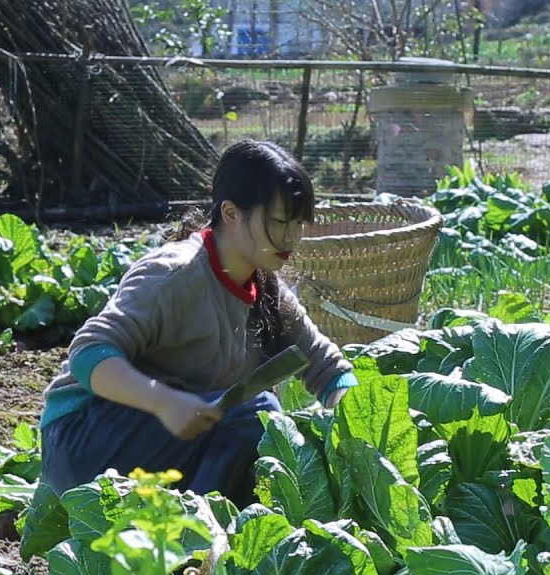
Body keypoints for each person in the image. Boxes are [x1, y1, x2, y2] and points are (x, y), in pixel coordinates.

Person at [39, 139, 357, 506]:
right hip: (83, 437)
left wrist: (355, 416)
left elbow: (327, 367)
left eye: (298, 224)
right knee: (259, 417)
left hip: (159, 444)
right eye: (279, 222)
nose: (290, 238)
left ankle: (199, 536)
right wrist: (163, 402)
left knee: (270, 442)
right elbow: (88, 354)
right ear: (231, 213)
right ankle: (197, 545)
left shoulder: (267, 290)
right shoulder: (174, 275)